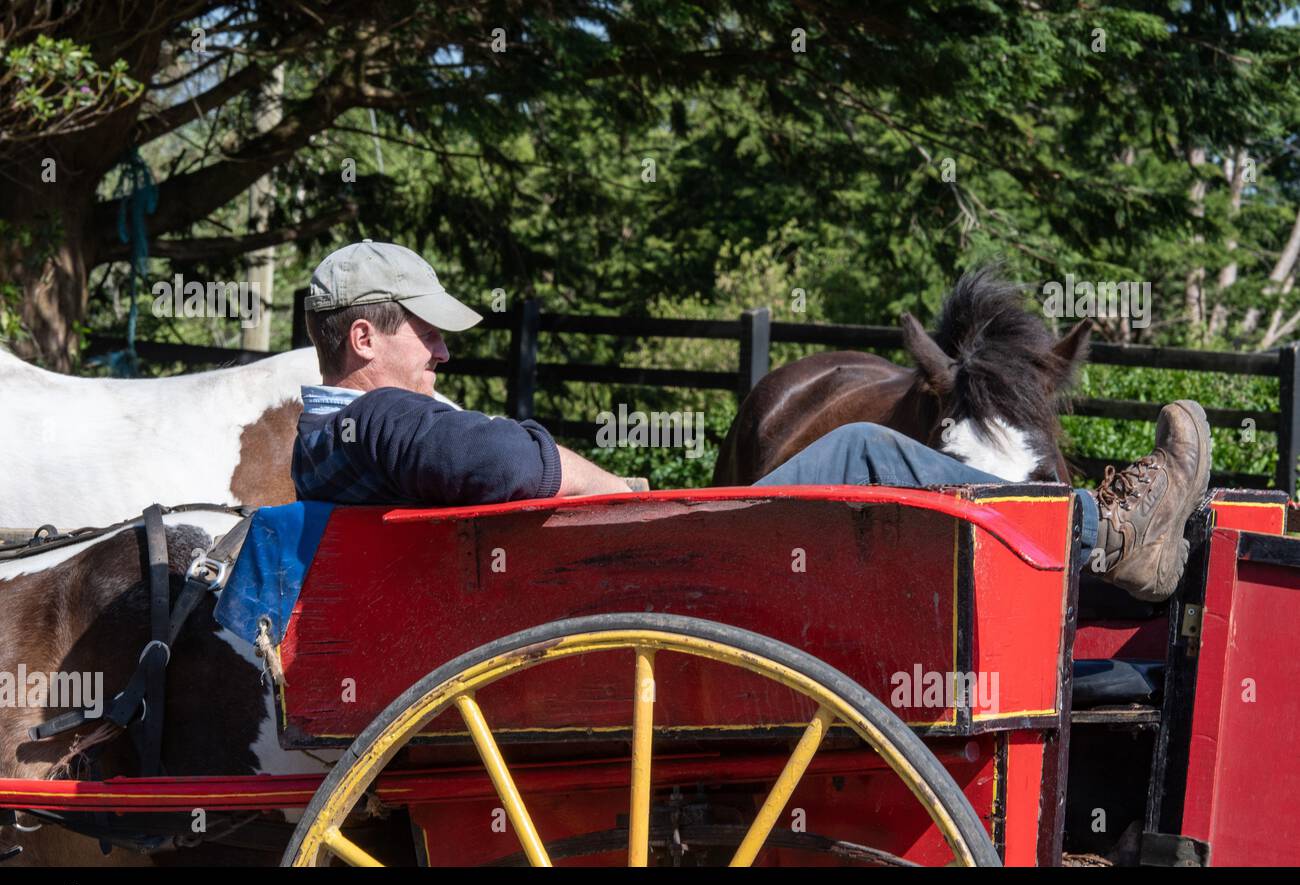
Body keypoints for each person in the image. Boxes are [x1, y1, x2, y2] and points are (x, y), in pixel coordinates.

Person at [293, 240, 1210, 603]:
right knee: (855, 446)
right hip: (611, 580)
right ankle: (1100, 528)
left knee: (846, 455)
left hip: (579, 579)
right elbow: (498, 462)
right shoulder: (377, 424)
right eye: (426, 336)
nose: (442, 356)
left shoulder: (333, 440)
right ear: (364, 335)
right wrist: (611, 487)